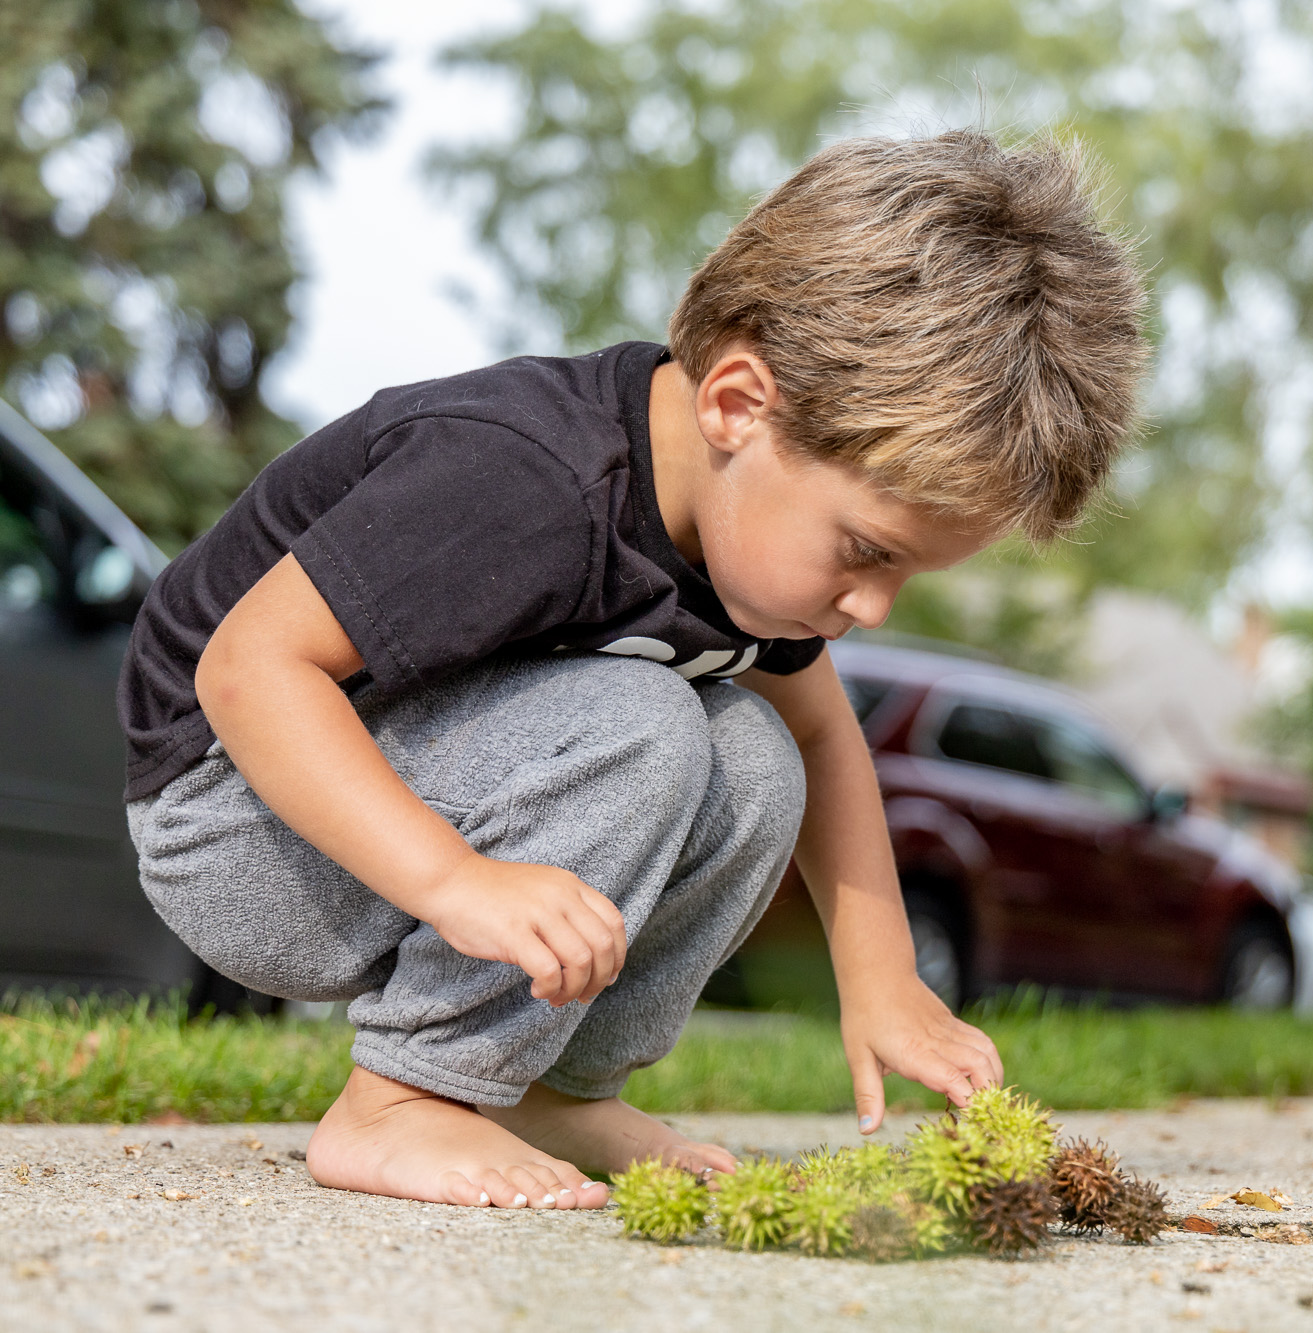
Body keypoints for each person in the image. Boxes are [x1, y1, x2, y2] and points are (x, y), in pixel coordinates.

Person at [118, 129, 1147, 1210]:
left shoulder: (739, 536)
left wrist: (883, 979)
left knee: (748, 751)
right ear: (739, 405)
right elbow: (249, 669)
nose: (869, 609)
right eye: (864, 551)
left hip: (389, 809)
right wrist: (453, 882)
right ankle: (397, 1101)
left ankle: (541, 1083)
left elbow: (817, 735)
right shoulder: (522, 478)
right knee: (647, 716)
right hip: (236, 823)